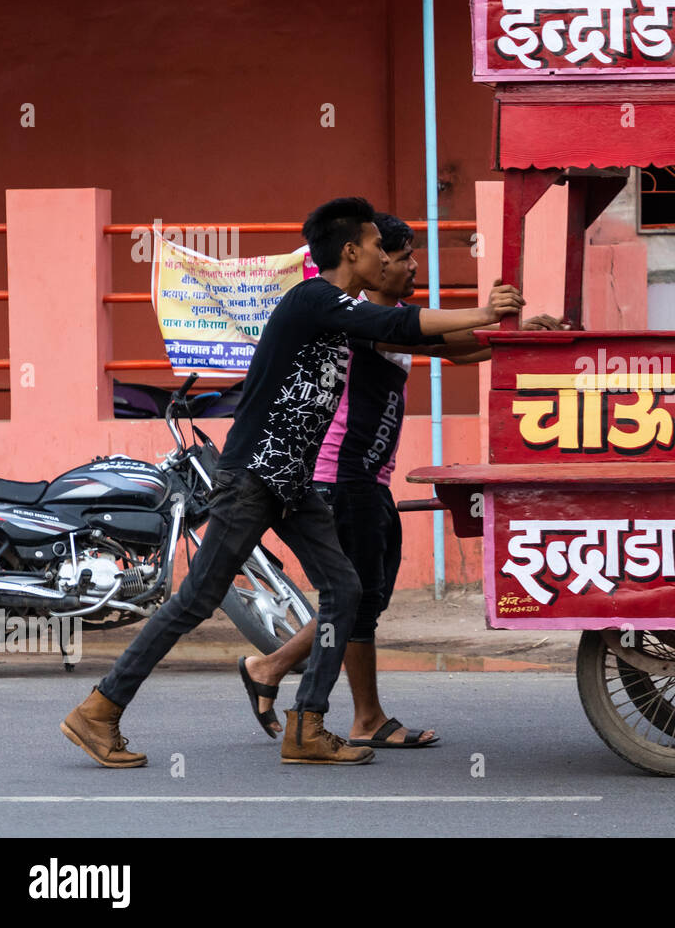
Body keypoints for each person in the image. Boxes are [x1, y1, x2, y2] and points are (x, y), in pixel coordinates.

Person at [61, 197, 526, 767]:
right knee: (196, 599)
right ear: (351, 250)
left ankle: (306, 725)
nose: (386, 256)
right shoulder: (314, 300)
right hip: (253, 476)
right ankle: (100, 710)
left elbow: (418, 337)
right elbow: (397, 322)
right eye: (378, 246)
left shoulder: (342, 311)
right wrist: (485, 311)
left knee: (347, 592)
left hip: (292, 482)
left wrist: (509, 334)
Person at [239, 213, 564, 746]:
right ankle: (357, 715)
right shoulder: (361, 320)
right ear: (375, 259)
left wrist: (524, 336)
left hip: (368, 478)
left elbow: (453, 348)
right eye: (401, 255)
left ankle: (270, 668)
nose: (411, 265)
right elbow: (419, 331)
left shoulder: (389, 319)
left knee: (362, 595)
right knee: (356, 598)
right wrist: (490, 313)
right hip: (341, 479)